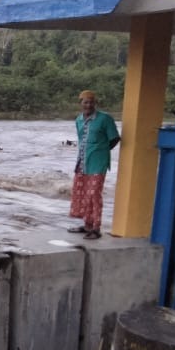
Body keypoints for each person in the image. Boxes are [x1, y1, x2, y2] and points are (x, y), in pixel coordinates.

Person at [68, 90, 120, 239]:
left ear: (95, 103)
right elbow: (81, 141)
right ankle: (87, 225)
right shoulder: (78, 120)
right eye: (85, 102)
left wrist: (101, 150)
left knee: (94, 194)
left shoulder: (105, 119)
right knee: (84, 194)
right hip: (83, 162)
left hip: (98, 162)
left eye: (91, 102)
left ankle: (96, 228)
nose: (89, 105)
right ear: (80, 103)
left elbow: (115, 138)